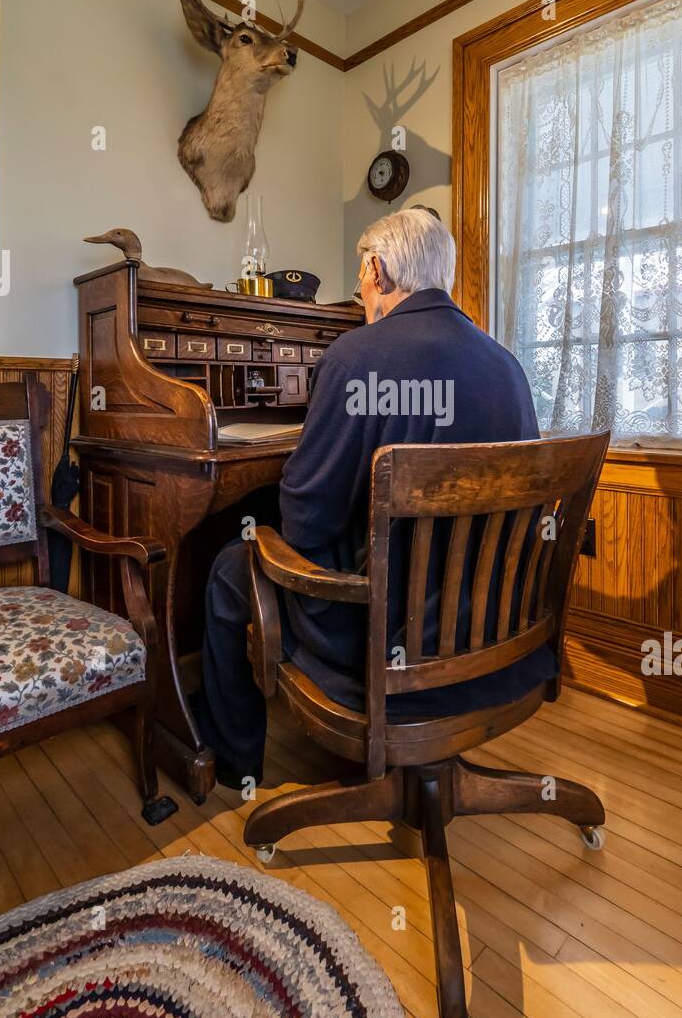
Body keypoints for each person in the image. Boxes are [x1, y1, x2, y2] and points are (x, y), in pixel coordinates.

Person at [196, 206, 554, 786]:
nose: (362, 291)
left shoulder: (356, 357)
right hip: (495, 631)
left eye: (361, 276)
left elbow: (306, 521)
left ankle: (235, 766)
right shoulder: (506, 366)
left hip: (390, 637)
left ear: (378, 270)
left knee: (231, 565)